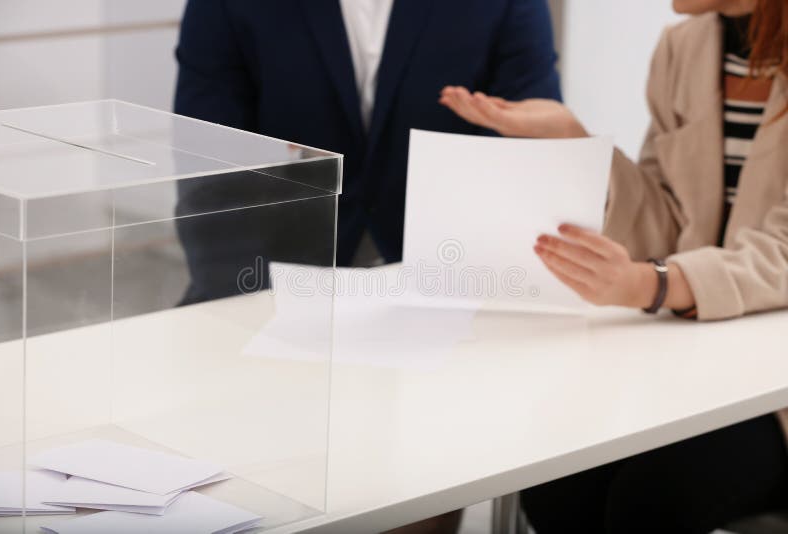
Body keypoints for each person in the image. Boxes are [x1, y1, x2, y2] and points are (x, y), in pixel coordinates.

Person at [440, 0, 788, 531]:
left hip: (773, 385)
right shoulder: (684, 47)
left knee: (653, 496)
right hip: (698, 357)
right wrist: (575, 142)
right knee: (557, 482)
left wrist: (652, 284)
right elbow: (670, 222)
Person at [173, 0, 561, 304]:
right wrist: (243, 305)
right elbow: (207, 164)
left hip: (453, 282)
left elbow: (531, 144)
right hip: (272, 282)